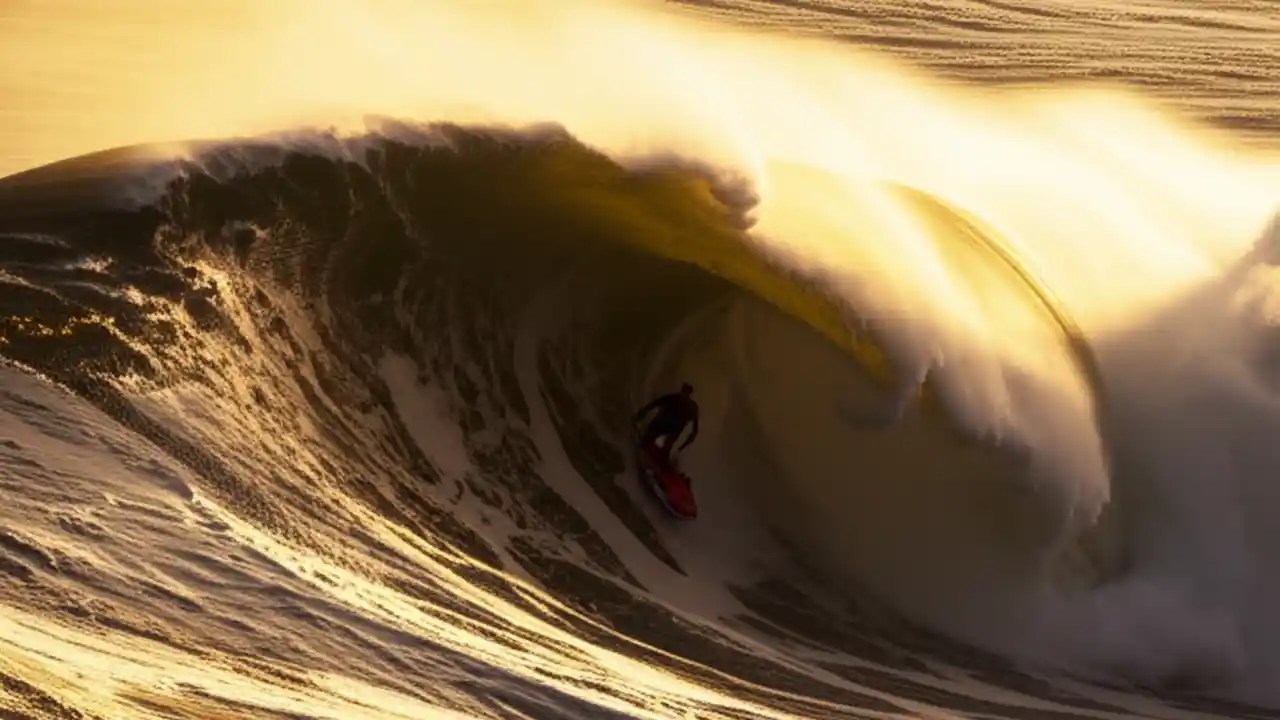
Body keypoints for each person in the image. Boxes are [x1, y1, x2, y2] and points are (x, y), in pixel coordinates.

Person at [633, 382, 699, 464]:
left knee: (663, 444)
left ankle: (661, 457)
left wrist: (690, 438)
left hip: (669, 427)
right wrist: (644, 411)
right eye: (685, 391)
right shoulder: (677, 399)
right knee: (651, 438)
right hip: (665, 424)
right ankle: (652, 449)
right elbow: (656, 403)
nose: (685, 395)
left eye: (687, 392)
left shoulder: (689, 405)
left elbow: (695, 427)